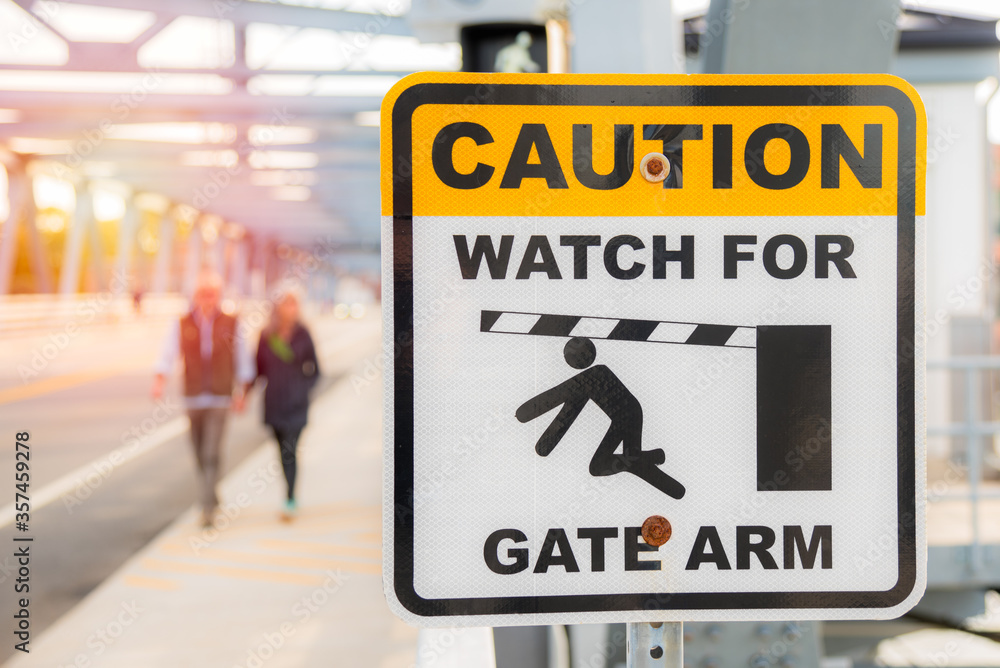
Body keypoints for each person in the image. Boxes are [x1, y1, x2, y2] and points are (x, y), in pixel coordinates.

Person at [515, 337, 685, 499]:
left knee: (601, 466)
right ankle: (646, 460)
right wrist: (546, 441)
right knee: (617, 462)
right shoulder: (591, 379)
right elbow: (570, 407)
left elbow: (566, 404)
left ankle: (644, 460)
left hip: (629, 416)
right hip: (627, 416)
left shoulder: (593, 377)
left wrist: (538, 428)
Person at [152, 272, 254, 527]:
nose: (208, 299)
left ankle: (207, 507)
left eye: (212, 294)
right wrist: (159, 380)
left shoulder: (232, 323)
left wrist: (242, 391)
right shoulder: (183, 322)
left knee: (211, 452)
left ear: (219, 296)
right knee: (198, 451)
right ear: (195, 296)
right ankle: (212, 493)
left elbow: (242, 358)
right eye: (203, 294)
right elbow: (168, 352)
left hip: (220, 397)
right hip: (193, 397)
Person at [252, 288, 320, 520]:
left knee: (290, 450)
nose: (291, 309)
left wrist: (304, 389)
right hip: (274, 403)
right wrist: (241, 393)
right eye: (287, 304)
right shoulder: (266, 335)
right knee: (282, 452)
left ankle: (290, 498)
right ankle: (289, 494)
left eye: (294, 304)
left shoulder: (303, 334)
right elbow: (257, 370)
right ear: (277, 307)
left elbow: (316, 370)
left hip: (297, 405)